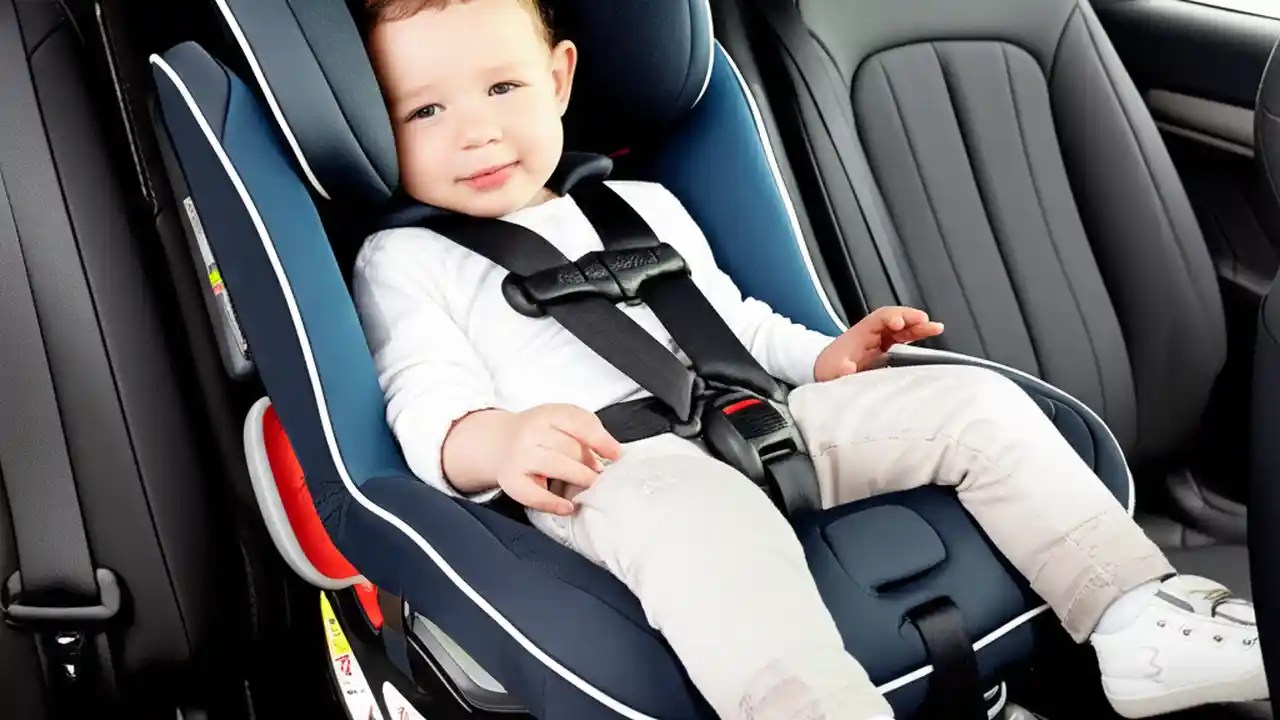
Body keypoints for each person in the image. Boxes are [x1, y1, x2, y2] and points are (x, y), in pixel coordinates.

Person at [351, 0, 1269, 717]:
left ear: (558, 79)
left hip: (763, 418)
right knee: (703, 526)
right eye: (424, 109)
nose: (474, 131)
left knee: (971, 405)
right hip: (610, 474)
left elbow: (738, 326)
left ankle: (1133, 613)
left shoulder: (641, 206)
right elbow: (424, 403)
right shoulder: (407, 258)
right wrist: (501, 442)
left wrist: (828, 357)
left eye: (501, 89)